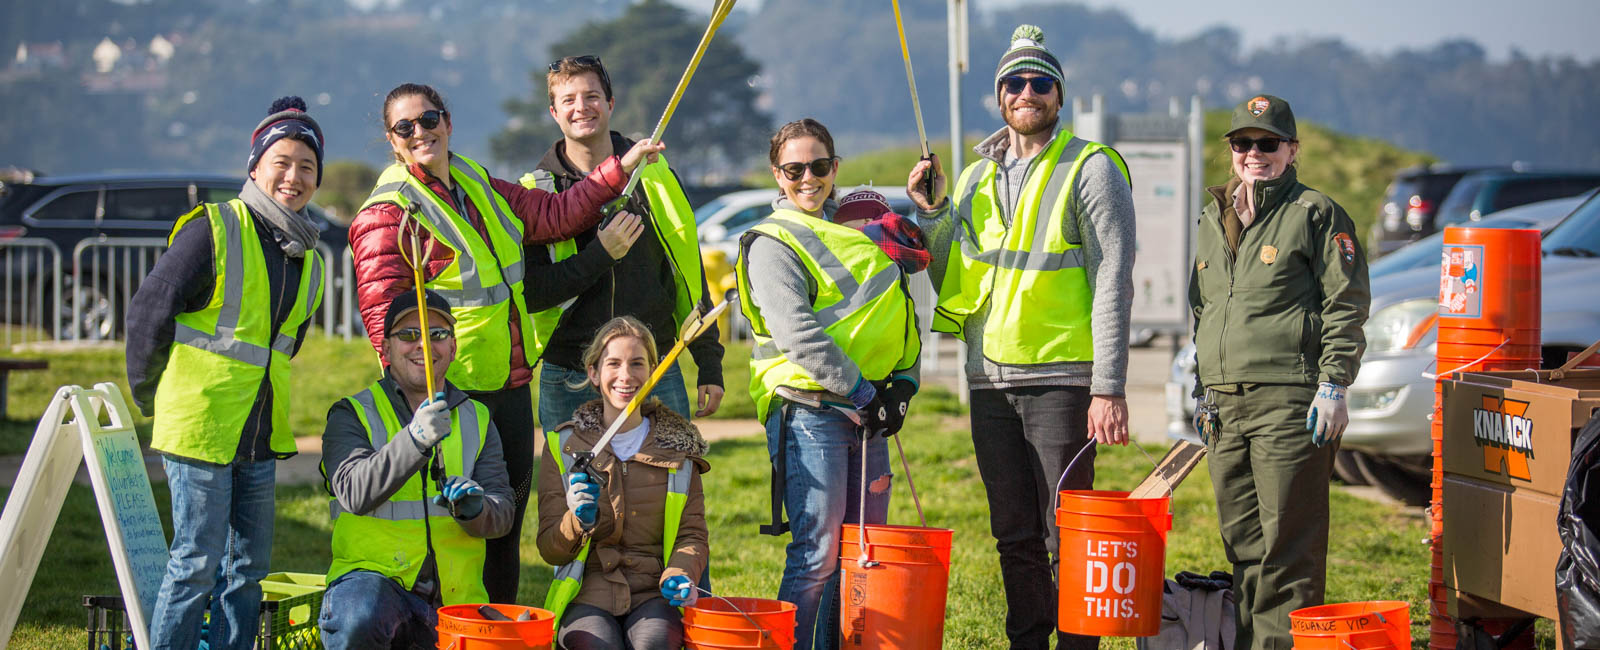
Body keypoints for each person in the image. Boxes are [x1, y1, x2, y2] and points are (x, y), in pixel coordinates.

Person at [348, 82, 663, 603]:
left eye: (428, 120)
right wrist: (414, 408)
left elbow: (555, 215)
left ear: (447, 122)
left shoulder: (475, 181)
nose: (420, 132)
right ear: (392, 140)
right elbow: (385, 324)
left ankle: (500, 633)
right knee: (455, 530)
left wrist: (619, 168)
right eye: (405, 127)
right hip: (449, 399)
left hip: (509, 389)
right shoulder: (388, 213)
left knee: (504, 530)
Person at [906, 24, 1136, 650]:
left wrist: (1109, 386)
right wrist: (932, 211)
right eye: (1015, 83)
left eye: (1041, 83)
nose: (1026, 92)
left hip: (1064, 378)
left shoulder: (1091, 167)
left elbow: (1114, 277)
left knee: (1069, 534)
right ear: (999, 96)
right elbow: (946, 263)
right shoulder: (978, 179)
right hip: (991, 381)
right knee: (1013, 534)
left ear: (1059, 97)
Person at [125, 96, 327, 650]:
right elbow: (150, 310)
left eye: (307, 166)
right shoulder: (215, 227)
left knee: (249, 573)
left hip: (259, 437)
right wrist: (153, 395)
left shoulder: (309, 257)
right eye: (281, 161)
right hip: (201, 429)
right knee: (195, 565)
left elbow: (283, 347)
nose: (293, 176)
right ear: (255, 166)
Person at [1188, 94, 1370, 649]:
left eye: (1268, 143)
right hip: (1224, 405)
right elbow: (1204, 308)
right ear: (1231, 152)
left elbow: (1347, 303)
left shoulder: (1316, 213)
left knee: (1287, 549)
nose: (1255, 154)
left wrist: (1334, 384)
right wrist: (1202, 388)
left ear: (1292, 150)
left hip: (1290, 404)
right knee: (1242, 548)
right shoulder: (1210, 218)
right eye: (1243, 143)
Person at [738, 118, 922, 650]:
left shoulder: (858, 233)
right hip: (811, 411)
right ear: (777, 174)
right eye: (794, 169)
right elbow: (798, 334)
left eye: (818, 166)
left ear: (835, 167)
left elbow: (898, 313)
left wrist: (903, 385)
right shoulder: (772, 243)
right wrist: (865, 394)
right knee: (817, 555)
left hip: (870, 411)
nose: (808, 178)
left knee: (860, 555)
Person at [524, 55, 725, 429]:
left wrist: (709, 361)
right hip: (570, 372)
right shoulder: (536, 191)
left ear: (611, 104)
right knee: (573, 488)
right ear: (554, 112)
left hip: (656, 366)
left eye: (592, 96)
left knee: (667, 484)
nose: (581, 108)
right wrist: (601, 255)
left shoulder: (656, 174)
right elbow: (534, 293)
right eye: (569, 100)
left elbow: (687, 271)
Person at [317, 289, 514, 648]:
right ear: (386, 349)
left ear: (453, 349)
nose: (424, 345)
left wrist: (476, 510)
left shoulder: (478, 418)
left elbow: (502, 513)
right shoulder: (351, 414)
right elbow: (355, 493)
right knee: (358, 617)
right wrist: (416, 440)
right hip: (374, 586)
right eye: (409, 335)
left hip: (456, 603)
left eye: (437, 334)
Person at [536, 316, 710, 650]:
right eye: (613, 363)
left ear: (654, 372)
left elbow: (692, 535)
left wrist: (681, 573)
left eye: (637, 364)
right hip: (588, 594)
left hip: (654, 594)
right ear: (594, 373)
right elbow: (549, 548)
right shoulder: (564, 446)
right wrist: (576, 522)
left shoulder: (681, 450)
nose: (626, 376)